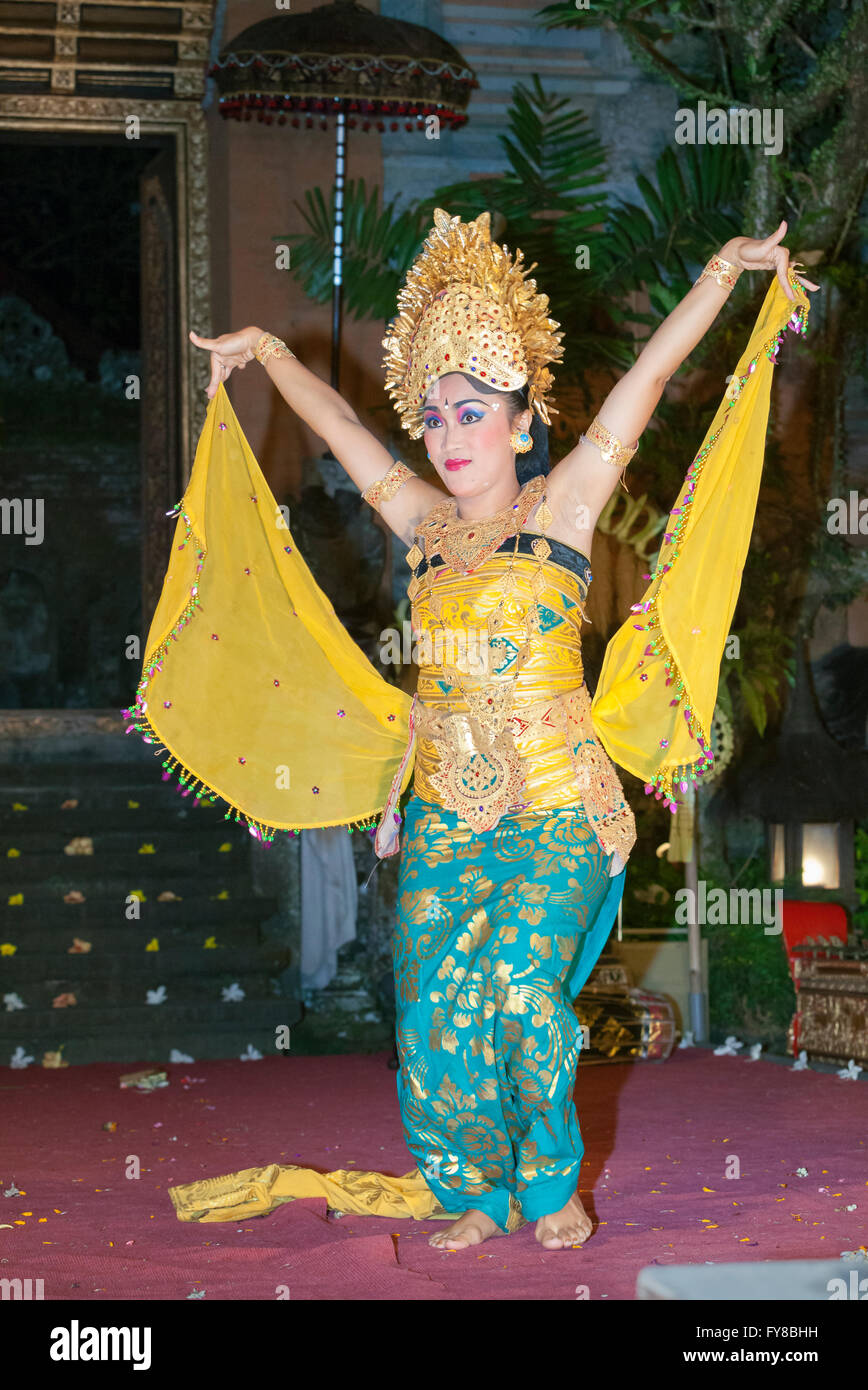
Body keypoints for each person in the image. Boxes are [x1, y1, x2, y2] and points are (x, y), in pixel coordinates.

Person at [130, 209, 815, 1251]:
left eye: (470, 414)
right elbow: (345, 436)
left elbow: (638, 392)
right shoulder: (423, 527)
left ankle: (550, 1186)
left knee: (521, 989)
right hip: (445, 806)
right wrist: (267, 350)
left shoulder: (566, 508)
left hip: (556, 802)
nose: (447, 439)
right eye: (435, 418)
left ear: (520, 416)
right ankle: (477, 1193)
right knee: (432, 1014)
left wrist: (722, 270)